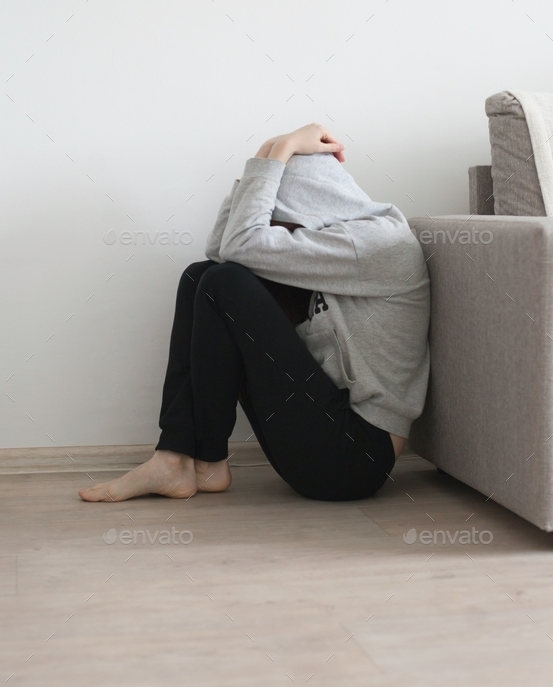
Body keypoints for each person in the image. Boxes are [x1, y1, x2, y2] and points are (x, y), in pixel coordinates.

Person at [79, 123, 430, 504]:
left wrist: (280, 153)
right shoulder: (336, 232)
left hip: (353, 456)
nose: (273, 226)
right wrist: (272, 151)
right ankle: (188, 459)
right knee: (201, 277)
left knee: (225, 282)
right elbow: (220, 248)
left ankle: (182, 460)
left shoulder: (376, 243)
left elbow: (237, 248)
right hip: (326, 429)